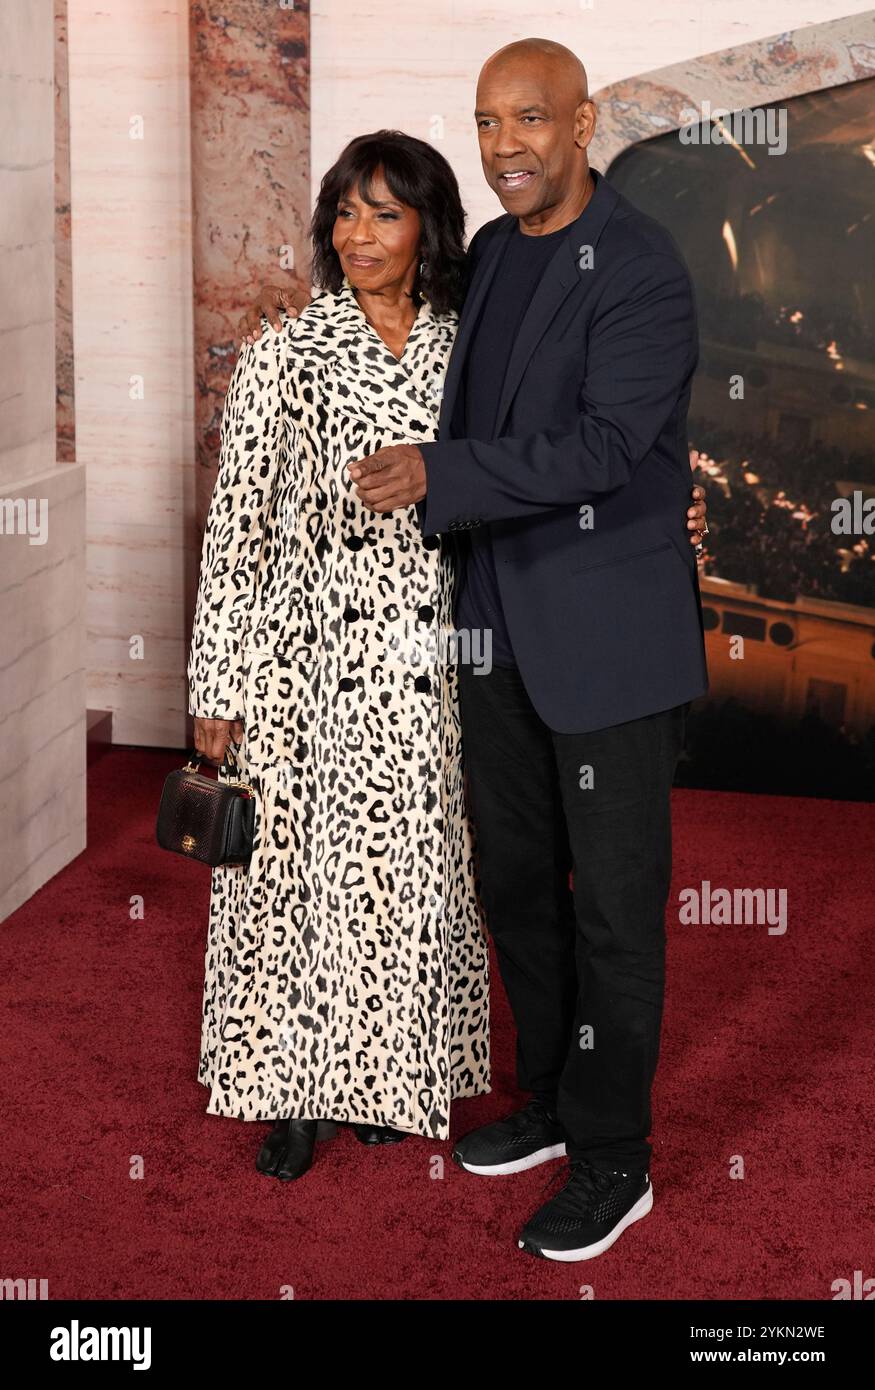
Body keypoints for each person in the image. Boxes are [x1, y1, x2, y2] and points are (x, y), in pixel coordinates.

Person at [230, 55, 710, 1224]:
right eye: (488, 121)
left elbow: (601, 447)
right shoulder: (490, 253)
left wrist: (438, 476)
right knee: (516, 885)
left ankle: (613, 1158)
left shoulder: (641, 267)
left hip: (604, 644)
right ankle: (549, 1095)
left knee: (610, 905)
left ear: (584, 125)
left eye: (530, 120)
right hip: (490, 632)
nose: (505, 144)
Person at [188, 132, 491, 1182]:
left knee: (405, 878)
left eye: (383, 214)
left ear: (427, 229)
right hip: (299, 666)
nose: (357, 235)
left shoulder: (466, 347)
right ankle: (290, 1093)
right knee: (291, 886)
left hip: (426, 664)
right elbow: (237, 530)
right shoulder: (287, 352)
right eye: (344, 214)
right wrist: (216, 685)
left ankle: (382, 1078)